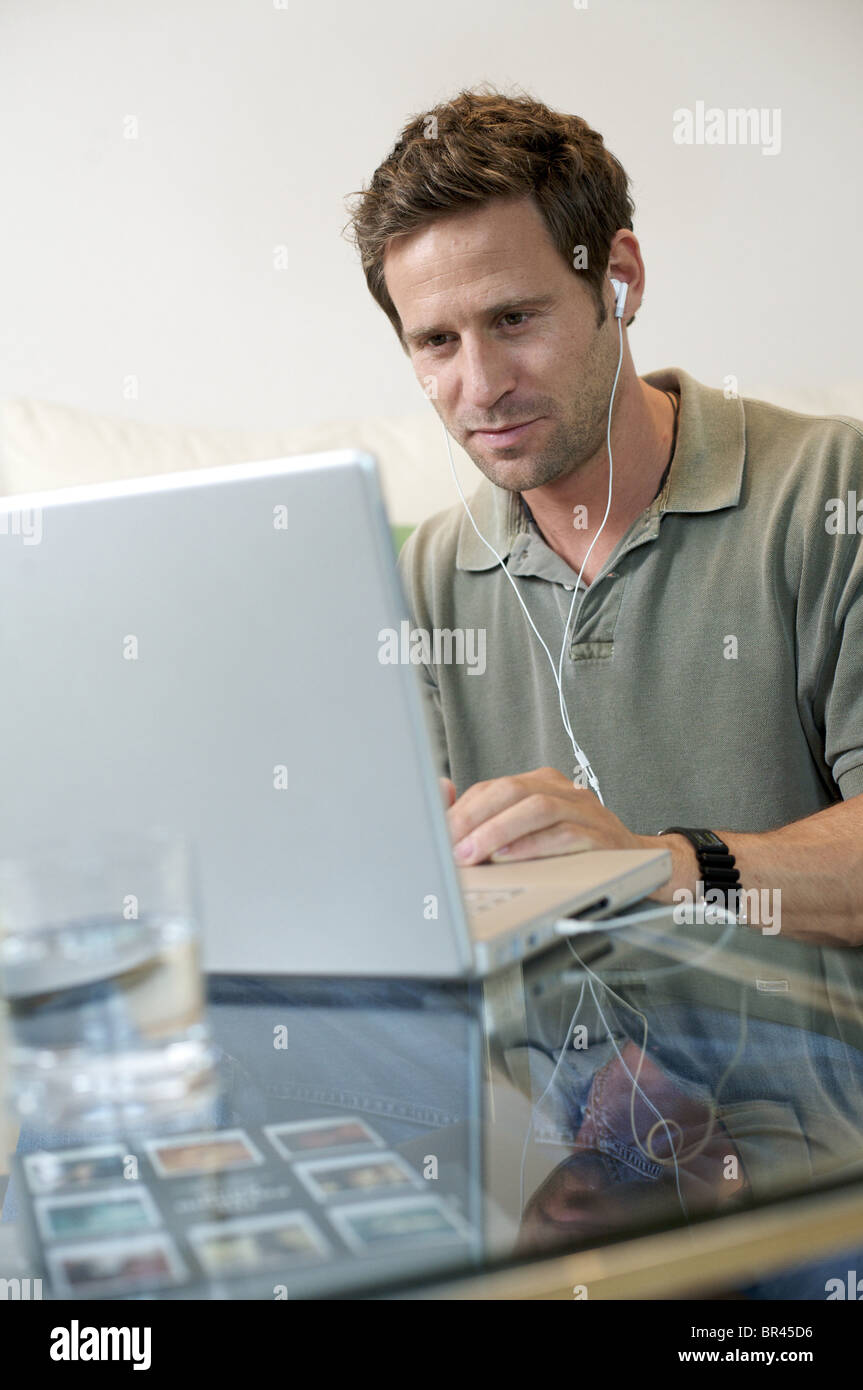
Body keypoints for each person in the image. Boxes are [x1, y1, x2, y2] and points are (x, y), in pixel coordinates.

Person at [345, 87, 863, 947]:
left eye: (513, 318)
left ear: (616, 280)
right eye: (436, 342)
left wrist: (651, 867)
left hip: (791, 1073)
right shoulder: (427, 573)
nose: (479, 388)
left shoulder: (828, 489)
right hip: (537, 1071)